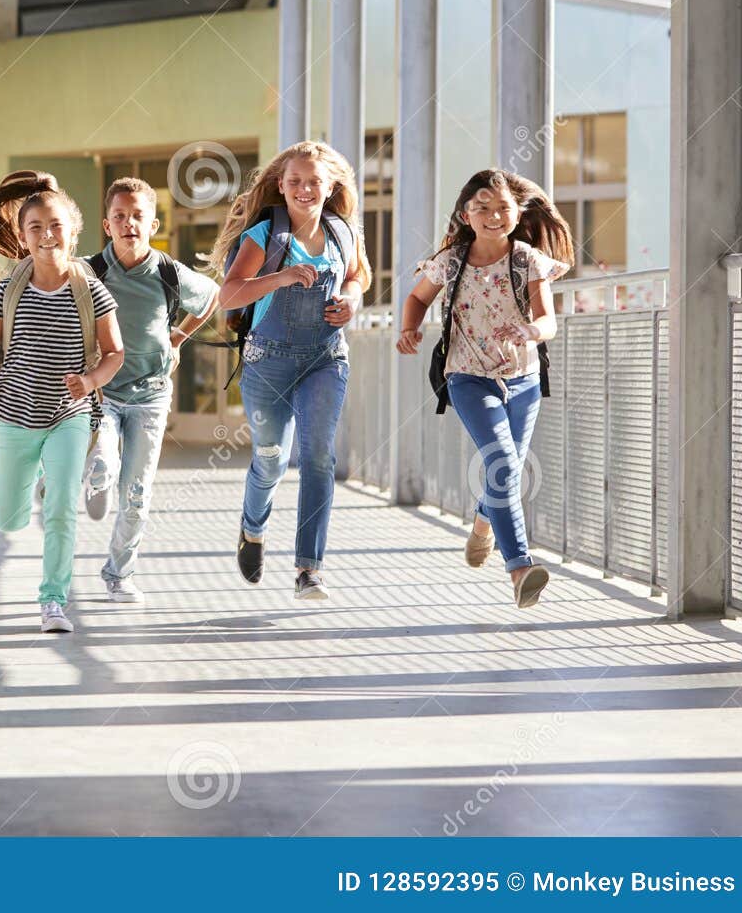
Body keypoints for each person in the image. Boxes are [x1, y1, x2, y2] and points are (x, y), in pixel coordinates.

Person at [0, 171, 124, 634]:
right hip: (16, 414)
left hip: (68, 416)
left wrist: (90, 380)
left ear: (73, 232)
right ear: (22, 237)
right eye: (35, 226)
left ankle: (53, 601)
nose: (47, 234)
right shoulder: (9, 290)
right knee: (8, 516)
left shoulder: (91, 290)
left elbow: (116, 353)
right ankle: (38, 479)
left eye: (56, 225)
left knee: (61, 508)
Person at [395, 169, 573, 609]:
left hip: (524, 380)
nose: (494, 216)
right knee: (504, 465)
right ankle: (520, 570)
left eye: (503, 208)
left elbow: (548, 320)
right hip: (468, 377)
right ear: (465, 215)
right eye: (483, 208)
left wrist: (531, 330)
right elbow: (417, 298)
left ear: (517, 214)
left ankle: (482, 522)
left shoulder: (527, 260)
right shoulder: (451, 261)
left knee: (504, 471)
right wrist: (409, 329)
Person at [210, 141, 370, 602]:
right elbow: (229, 294)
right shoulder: (265, 235)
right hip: (268, 362)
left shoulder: (342, 232)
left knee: (318, 456)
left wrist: (351, 301)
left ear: (330, 186)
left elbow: (358, 276)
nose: (305, 189)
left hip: (325, 359)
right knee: (271, 457)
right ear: (280, 186)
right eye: (295, 181)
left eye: (314, 182)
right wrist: (280, 277)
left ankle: (308, 569)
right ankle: (252, 527)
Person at [81, 177, 219, 602]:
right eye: (120, 216)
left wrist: (178, 337)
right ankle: (97, 478)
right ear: (107, 225)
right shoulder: (89, 271)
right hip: (103, 392)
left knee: (137, 494)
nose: (129, 224)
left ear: (153, 224)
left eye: (138, 216)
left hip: (152, 395)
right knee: (104, 458)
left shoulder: (167, 272)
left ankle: (119, 575)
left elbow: (212, 297)